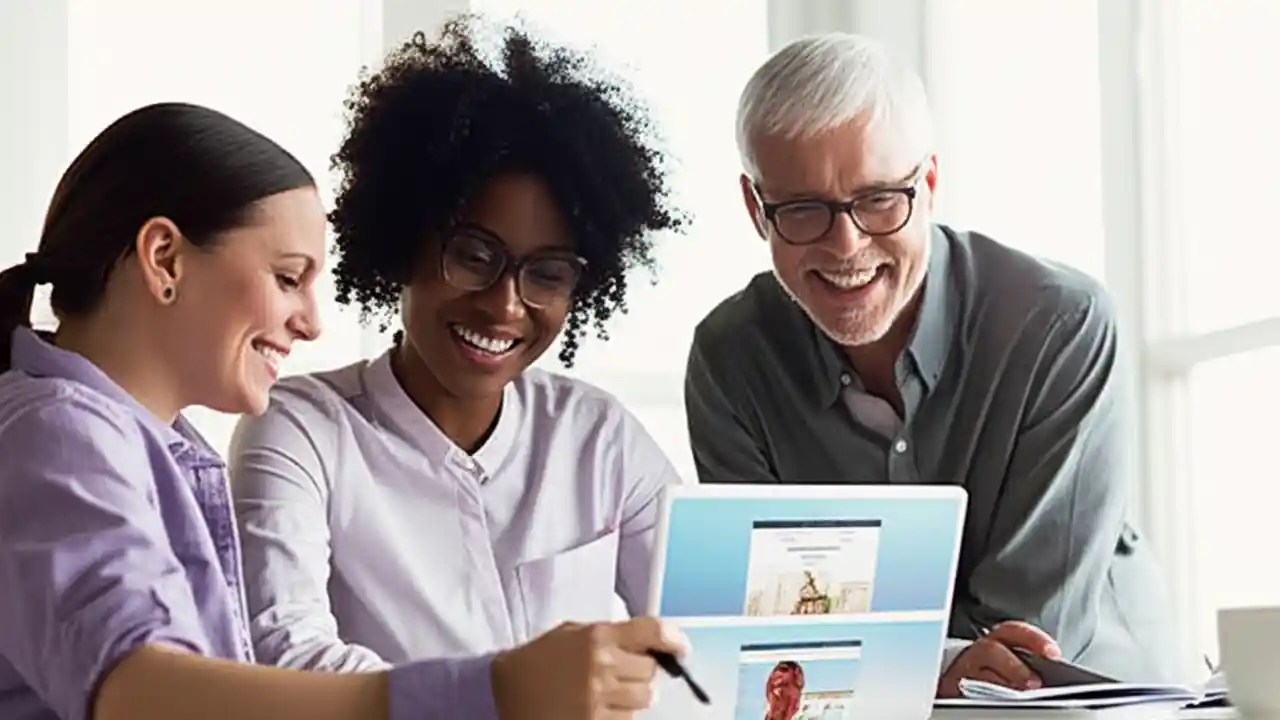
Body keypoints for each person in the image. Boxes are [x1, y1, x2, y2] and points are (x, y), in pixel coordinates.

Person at [0, 101, 686, 720]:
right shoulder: (61, 433)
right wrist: (494, 691)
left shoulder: (150, 447)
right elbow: (140, 690)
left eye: (547, 272)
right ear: (165, 259)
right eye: (288, 278)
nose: (311, 322)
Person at [685, 32, 1187, 695]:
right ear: (757, 210)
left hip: (1098, 708)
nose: (846, 246)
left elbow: (1026, 651)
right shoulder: (730, 361)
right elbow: (767, 632)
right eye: (803, 209)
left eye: (879, 200)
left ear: (928, 183)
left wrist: (875, 658)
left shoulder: (1060, 326)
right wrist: (936, 665)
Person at [227, 17, 687, 672]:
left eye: (546, 274)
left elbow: (710, 640)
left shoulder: (600, 437)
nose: (505, 304)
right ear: (402, 242)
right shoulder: (301, 430)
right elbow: (288, 658)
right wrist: (510, 698)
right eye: (474, 257)